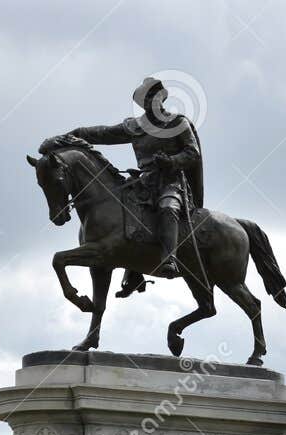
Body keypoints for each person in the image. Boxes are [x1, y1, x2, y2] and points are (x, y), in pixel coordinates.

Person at [61, 77, 203, 285]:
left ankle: (169, 259)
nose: (148, 102)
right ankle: (134, 271)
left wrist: (171, 161)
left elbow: (193, 153)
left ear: (161, 98)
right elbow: (104, 134)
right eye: (144, 99)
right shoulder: (136, 127)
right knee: (119, 212)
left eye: (152, 97)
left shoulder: (177, 123)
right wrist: (73, 135)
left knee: (167, 207)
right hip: (145, 183)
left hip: (172, 182)